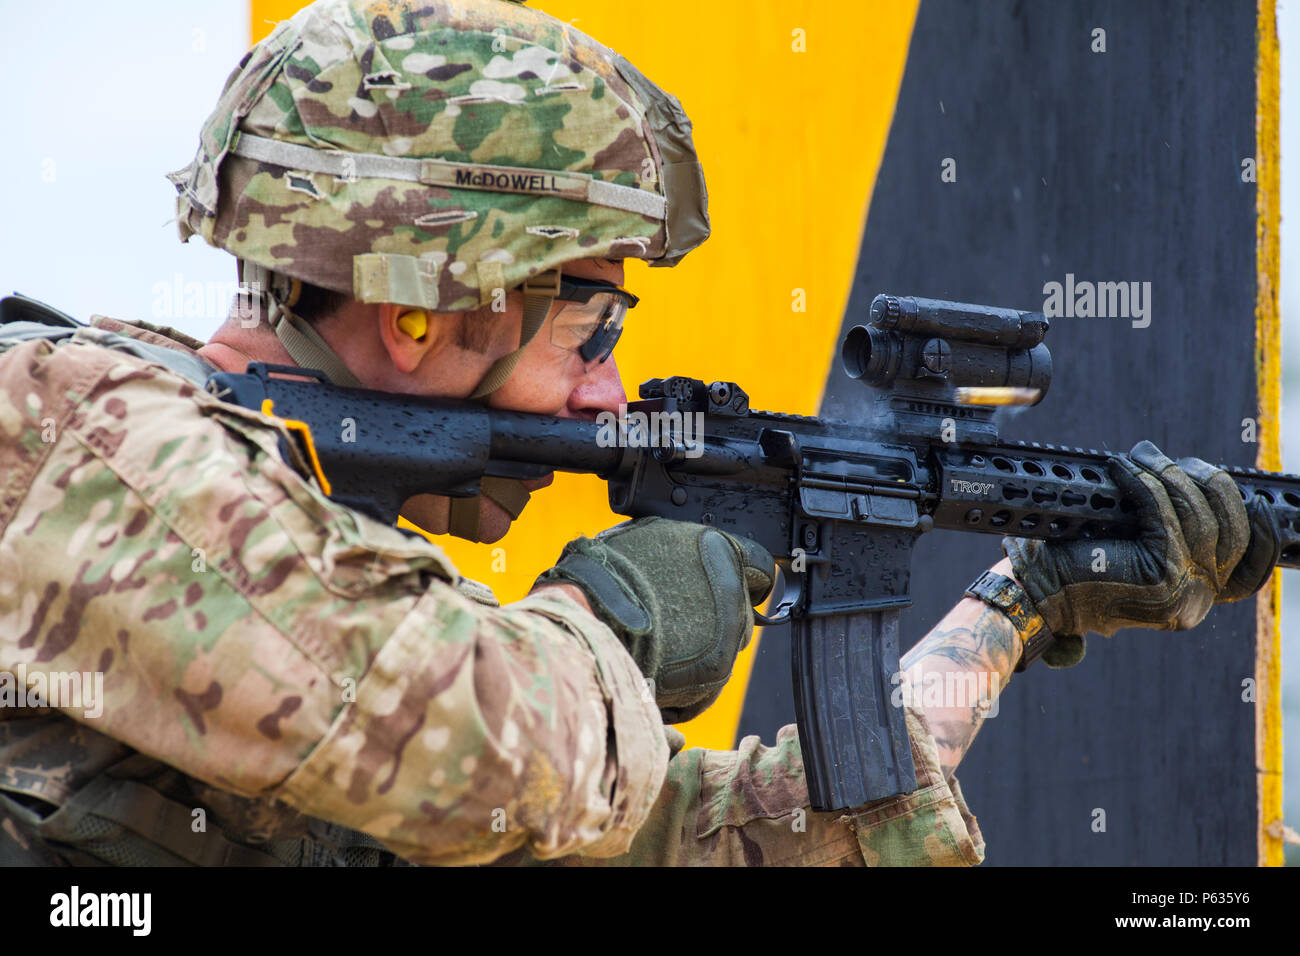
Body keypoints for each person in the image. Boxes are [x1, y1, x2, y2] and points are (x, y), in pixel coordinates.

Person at [0, 0, 1277, 867]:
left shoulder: (324, 560)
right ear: (414, 307)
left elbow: (712, 832)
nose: (610, 393)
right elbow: (471, 740)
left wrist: (1019, 600)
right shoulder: (78, 431)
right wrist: (623, 609)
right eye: (593, 327)